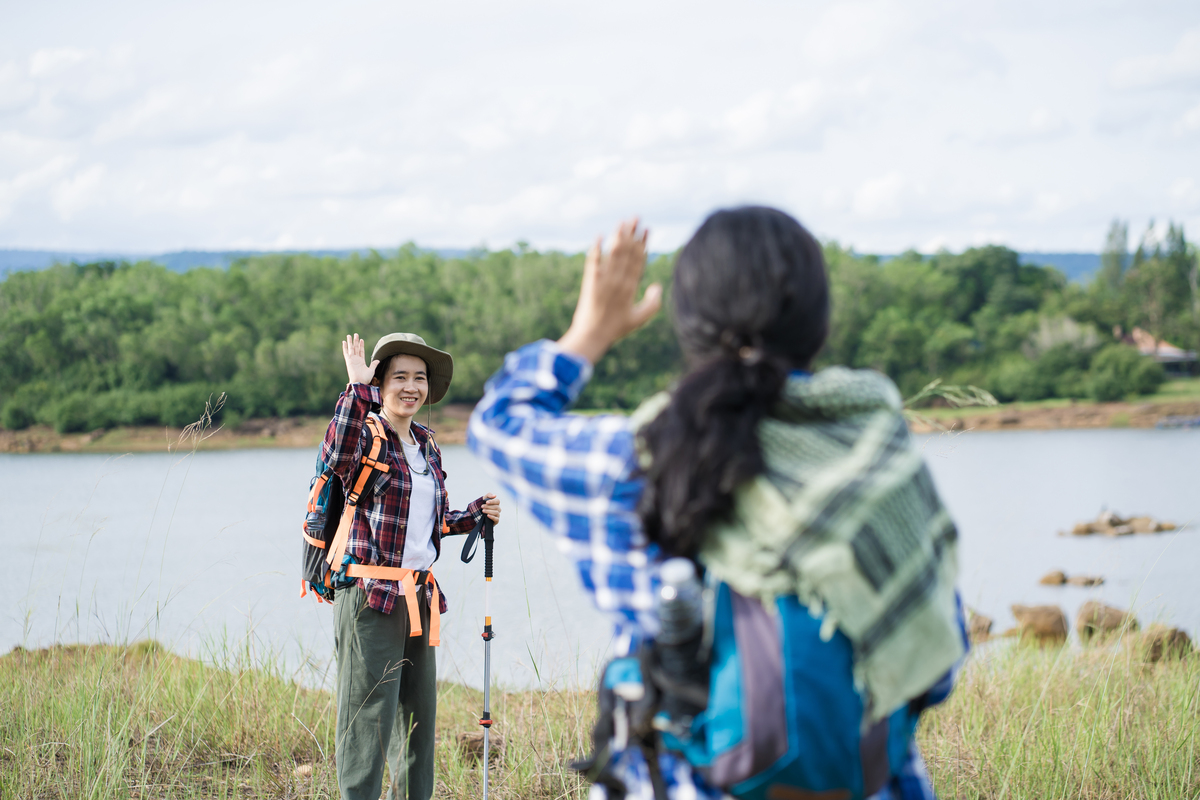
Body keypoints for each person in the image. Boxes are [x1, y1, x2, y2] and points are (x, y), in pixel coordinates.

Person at [468, 210, 966, 799]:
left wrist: (591, 333)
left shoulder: (635, 462)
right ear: (819, 322)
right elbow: (935, 668)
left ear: (688, 326)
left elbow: (499, 422)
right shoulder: (877, 452)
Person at [325, 331, 501, 800]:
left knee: (418, 722)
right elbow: (335, 456)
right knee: (367, 721)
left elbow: (428, 524)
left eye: (419, 378)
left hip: (419, 597)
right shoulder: (366, 434)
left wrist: (474, 515)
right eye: (399, 376)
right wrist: (356, 387)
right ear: (381, 383)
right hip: (370, 596)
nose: (411, 387)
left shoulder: (426, 444)